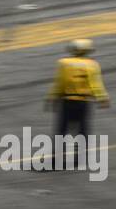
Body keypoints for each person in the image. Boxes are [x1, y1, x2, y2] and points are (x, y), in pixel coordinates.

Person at [46, 39, 111, 167]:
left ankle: (56, 158)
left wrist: (52, 98)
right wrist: (103, 98)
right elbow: (95, 84)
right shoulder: (92, 65)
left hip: (67, 101)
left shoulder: (64, 63)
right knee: (83, 129)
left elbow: (60, 83)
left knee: (62, 129)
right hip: (84, 102)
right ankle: (82, 158)